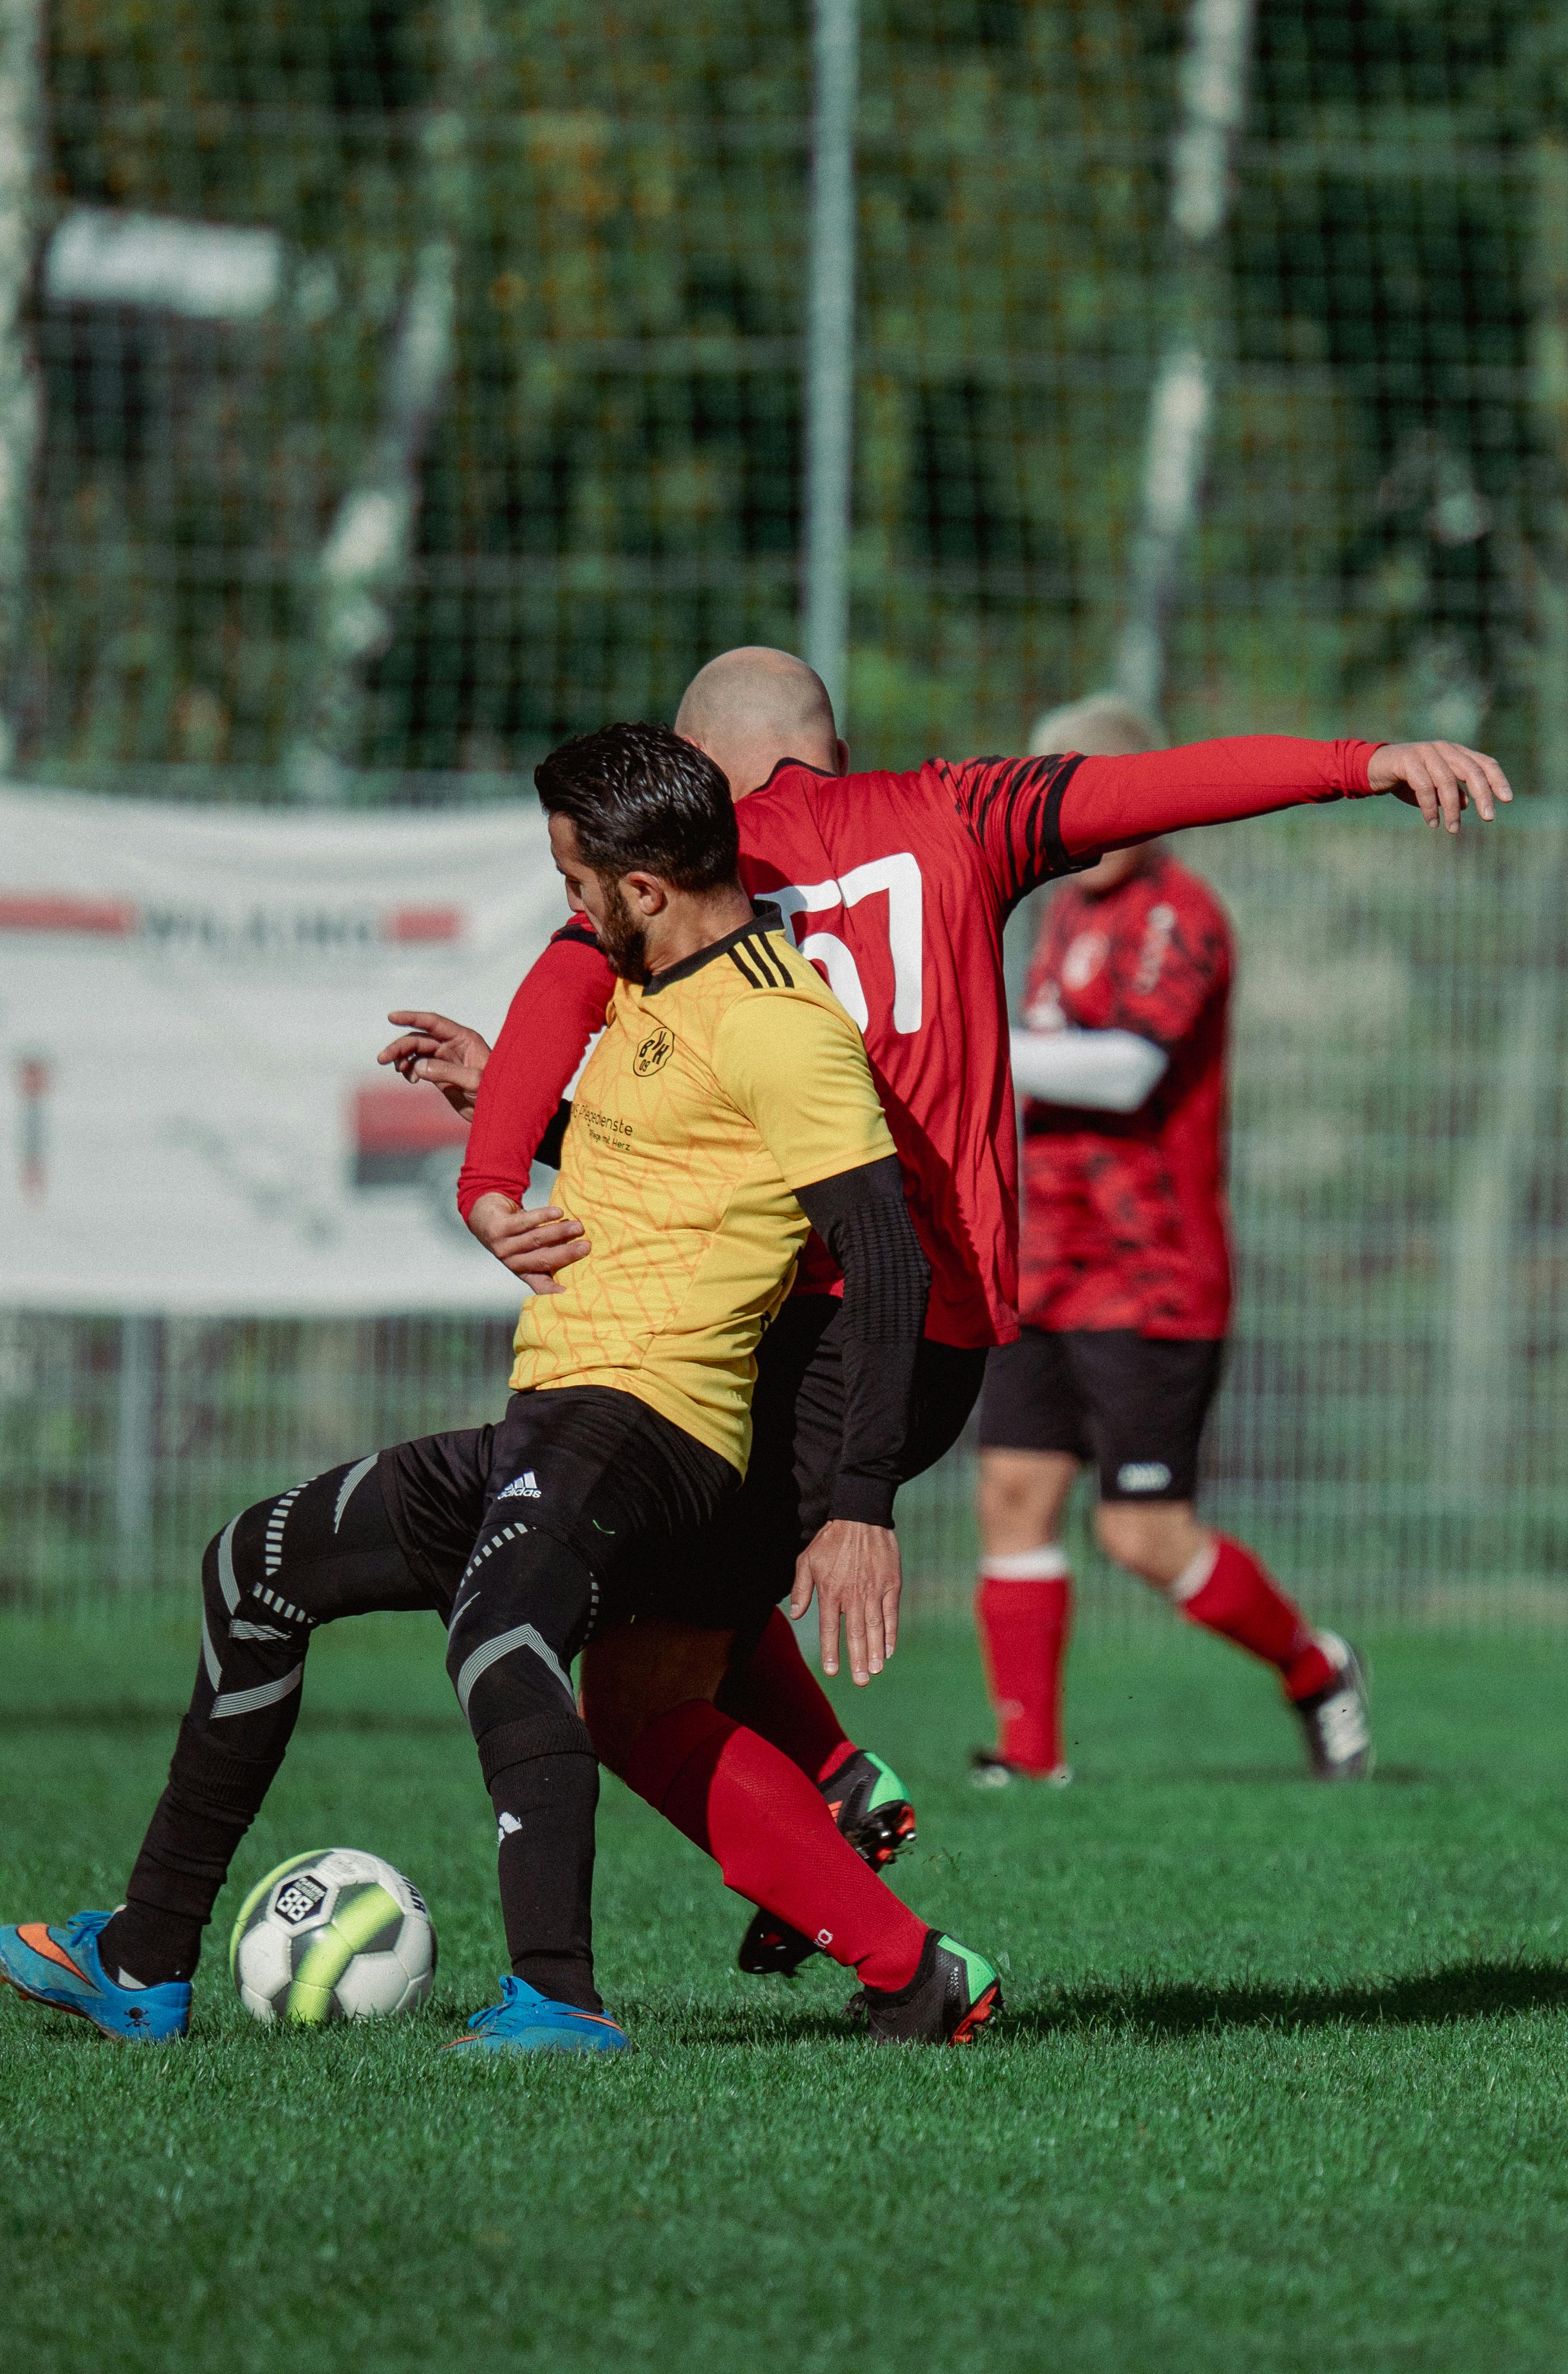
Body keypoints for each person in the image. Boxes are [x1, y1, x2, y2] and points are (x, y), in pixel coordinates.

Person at [411, 653, 1504, 1964]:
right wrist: (1361, 761)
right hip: (927, 1323)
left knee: (640, 1678)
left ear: (698, 770)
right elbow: (1161, 785)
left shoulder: (686, 872)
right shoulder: (954, 813)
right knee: (669, 1566)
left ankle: (889, 1941)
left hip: (819, 1322)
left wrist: (493, 1173)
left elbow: (558, 995)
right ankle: (839, 1796)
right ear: (831, 744)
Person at [0, 724, 999, 2051]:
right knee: (256, 1566)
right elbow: (682, 1164)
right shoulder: (662, 983)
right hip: (560, 1414)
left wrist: (860, 1502)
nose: (566, 903)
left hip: (647, 1426)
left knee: (502, 1637)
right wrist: (515, 1109)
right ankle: (142, 1957)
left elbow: (887, 1254)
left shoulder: (780, 1022)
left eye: (574, 879)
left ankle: (559, 1998)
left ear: (644, 887)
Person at [968, 694, 1367, 1786]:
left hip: (1150, 1274)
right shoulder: (1062, 912)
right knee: (1011, 1494)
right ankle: (1028, 1762)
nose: (1072, 822)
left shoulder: (1180, 916)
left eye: (1091, 796)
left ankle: (1314, 1667)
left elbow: (1127, 1069)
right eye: (1054, 798)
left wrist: (971, 1043)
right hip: (1040, 1260)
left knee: (1142, 1535)